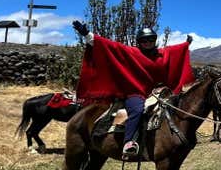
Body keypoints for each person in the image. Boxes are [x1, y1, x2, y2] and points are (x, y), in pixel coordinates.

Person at [72, 21, 194, 159]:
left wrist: (186, 45)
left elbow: (175, 52)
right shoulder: (131, 52)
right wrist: (87, 34)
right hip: (135, 92)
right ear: (139, 42)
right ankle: (129, 142)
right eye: (144, 40)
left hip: (157, 92)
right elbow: (110, 46)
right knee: (137, 109)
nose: (148, 42)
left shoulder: (161, 54)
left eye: (151, 39)